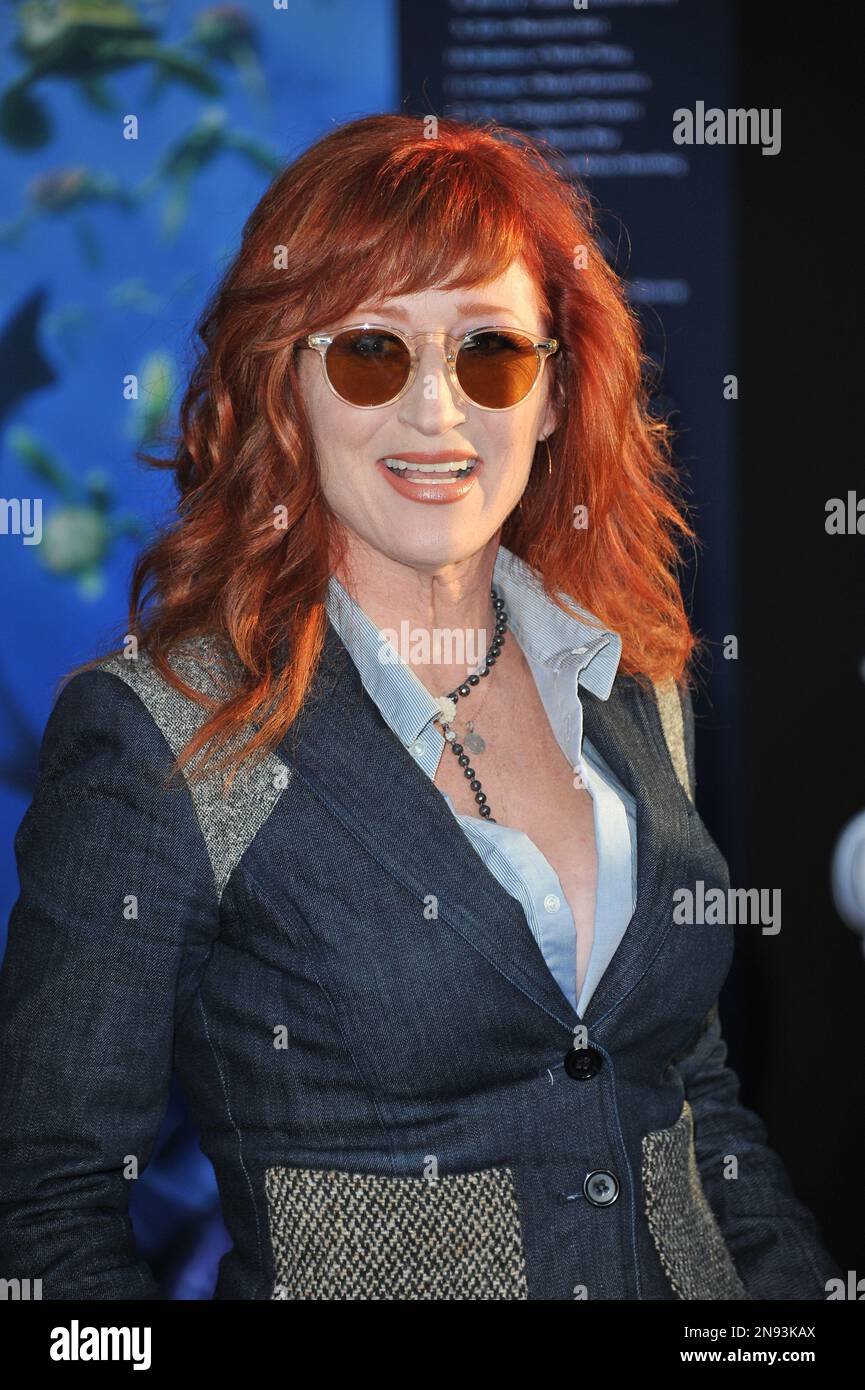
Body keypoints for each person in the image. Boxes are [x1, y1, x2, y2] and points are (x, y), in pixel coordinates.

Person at [0, 114, 841, 1300]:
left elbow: (691, 1101)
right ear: (285, 385)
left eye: (489, 354)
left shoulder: (631, 676)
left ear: (553, 396)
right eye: (371, 354)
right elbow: (45, 1204)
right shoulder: (167, 730)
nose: (438, 414)